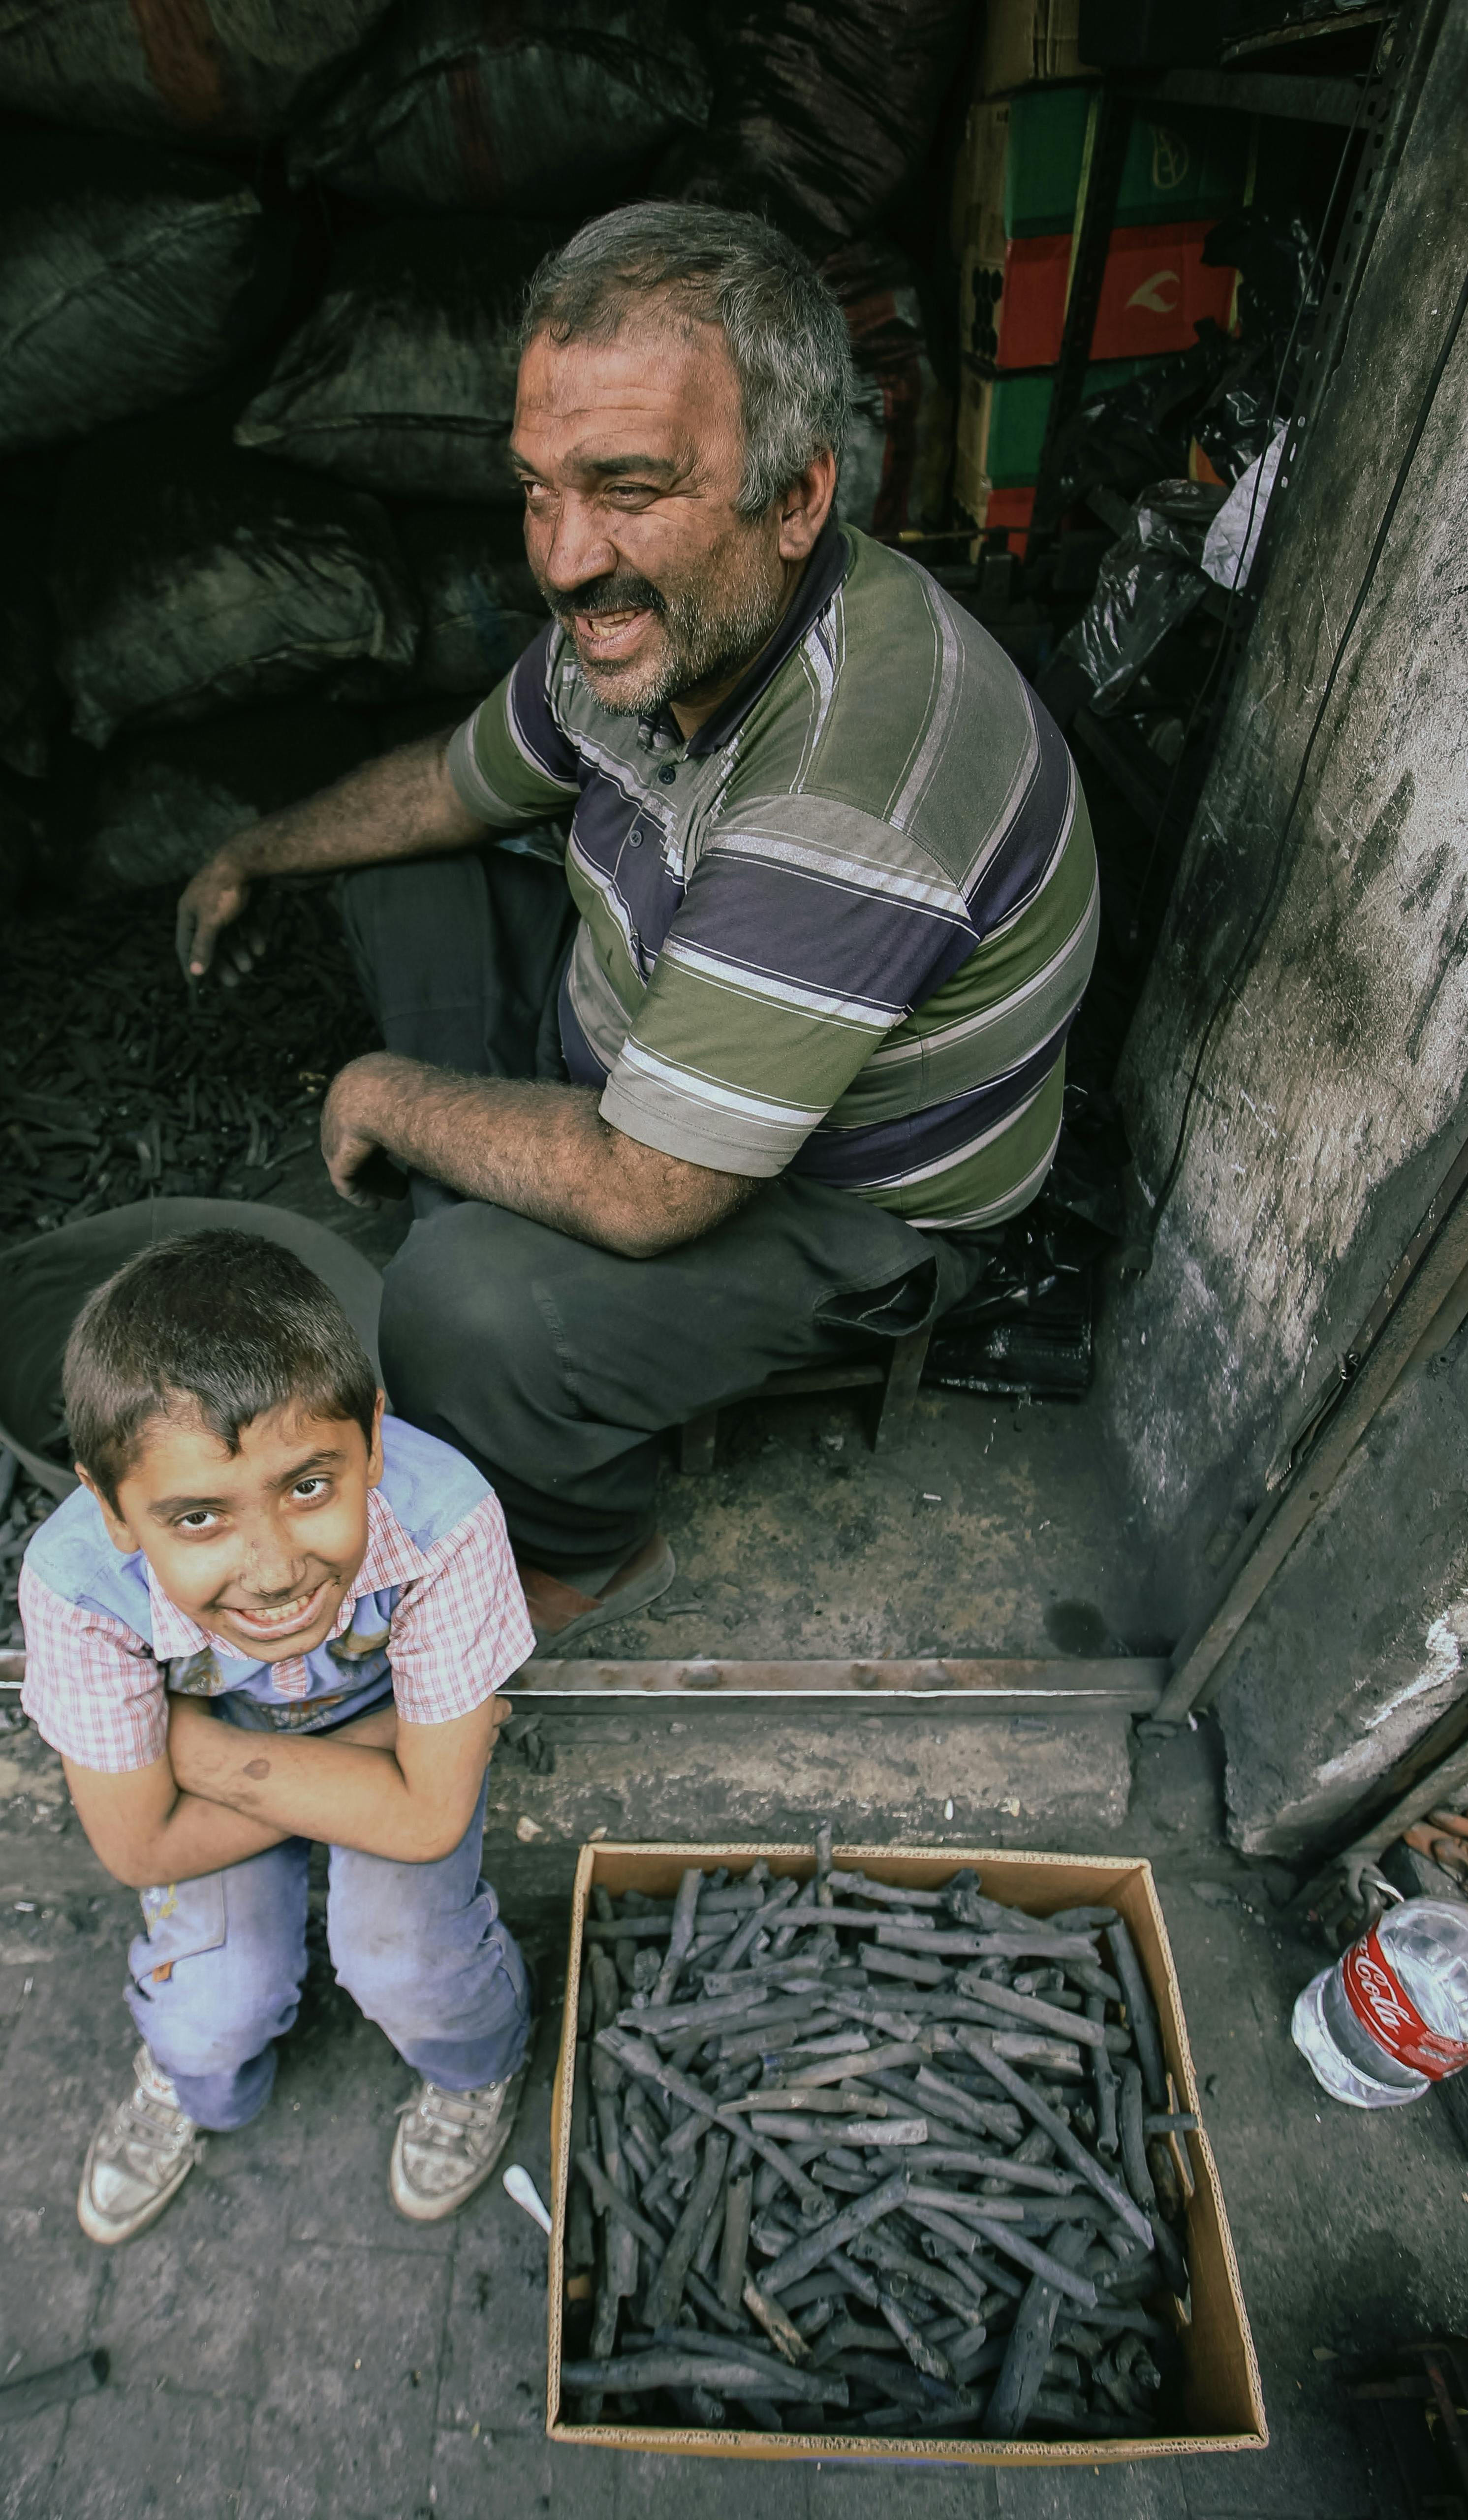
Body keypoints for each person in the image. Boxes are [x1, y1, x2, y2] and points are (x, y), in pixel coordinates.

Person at [176, 203, 1098, 1654]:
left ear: (798, 499)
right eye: (539, 488)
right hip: (659, 1041)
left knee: (464, 1310)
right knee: (394, 865)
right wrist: (255, 851)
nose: (563, 556)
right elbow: (455, 782)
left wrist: (384, 1096)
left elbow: (648, 1190)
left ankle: (585, 1549)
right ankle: (472, 1196)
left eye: (627, 487)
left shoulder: (845, 803)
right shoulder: (658, 614)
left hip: (840, 1199)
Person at [16, 1228, 535, 2245]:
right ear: (114, 1512)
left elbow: (429, 1820)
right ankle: (197, 2088)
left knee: (408, 1961)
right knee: (213, 2004)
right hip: (366, 1738)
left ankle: (479, 2066)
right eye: (199, 1517)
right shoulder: (75, 1584)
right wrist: (382, 1760)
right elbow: (139, 1847)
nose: (272, 1566)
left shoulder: (447, 1521)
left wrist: (193, 1753)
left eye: (309, 1487)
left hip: (217, 1747)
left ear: (374, 1442)